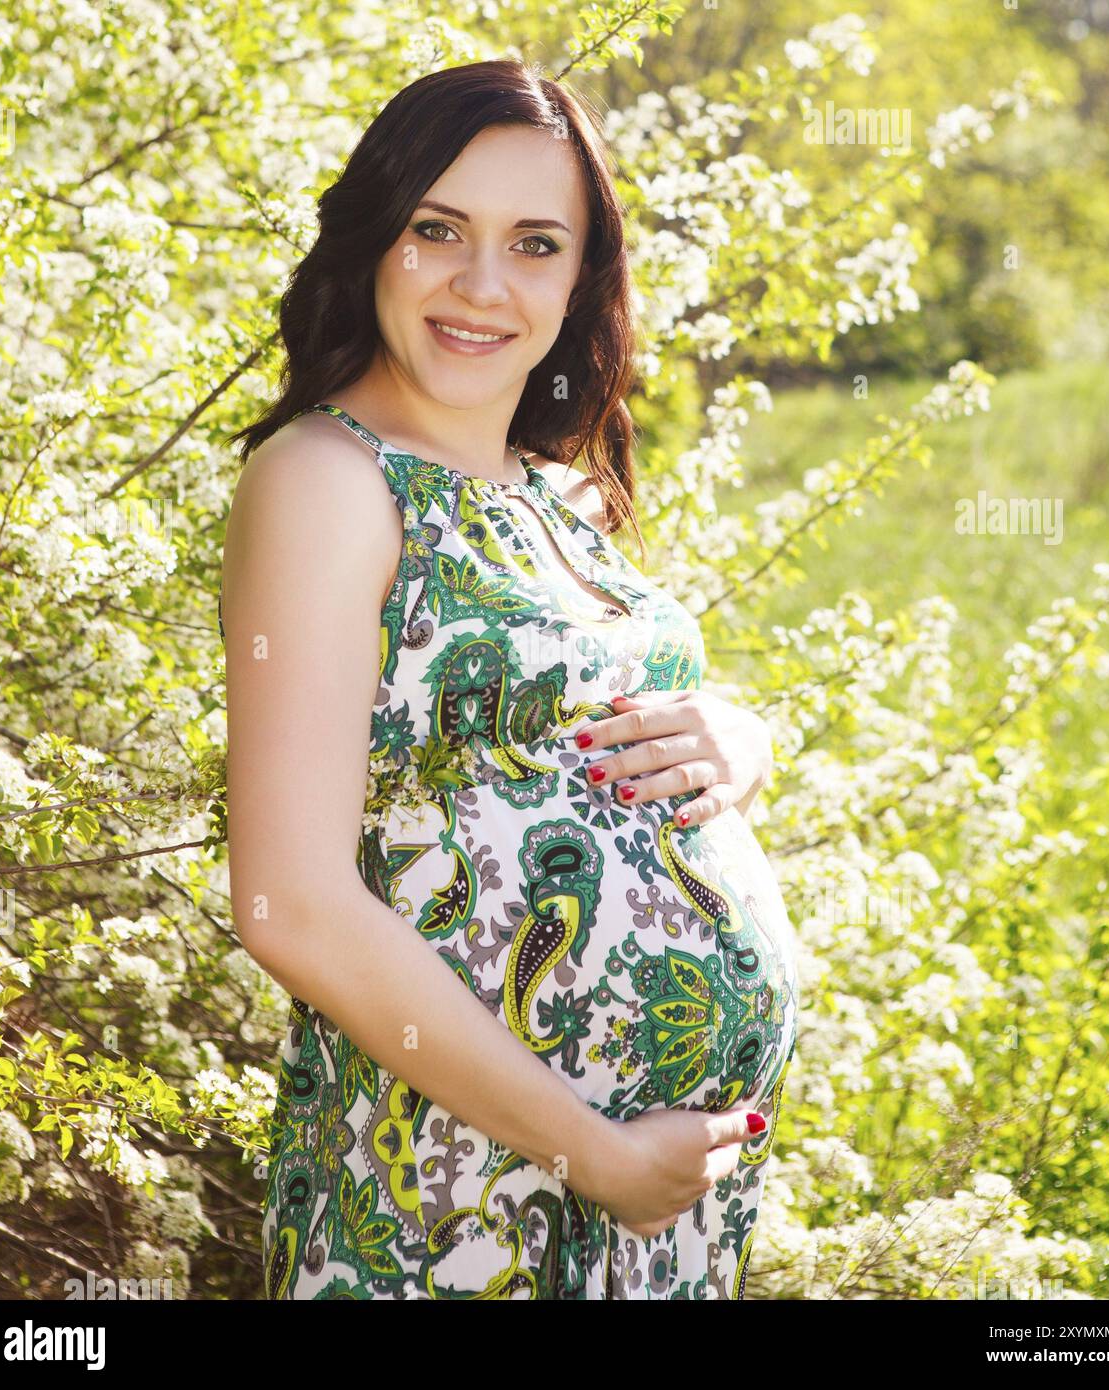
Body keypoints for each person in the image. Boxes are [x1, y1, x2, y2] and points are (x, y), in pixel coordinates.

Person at [220, 57, 799, 1300]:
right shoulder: (329, 480)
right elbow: (288, 901)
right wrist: (588, 1150)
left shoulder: (547, 496)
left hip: (650, 1210)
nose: (482, 285)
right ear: (375, 237)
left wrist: (742, 740)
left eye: (534, 244)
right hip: (450, 1191)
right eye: (438, 229)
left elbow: (598, 724)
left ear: (581, 277)